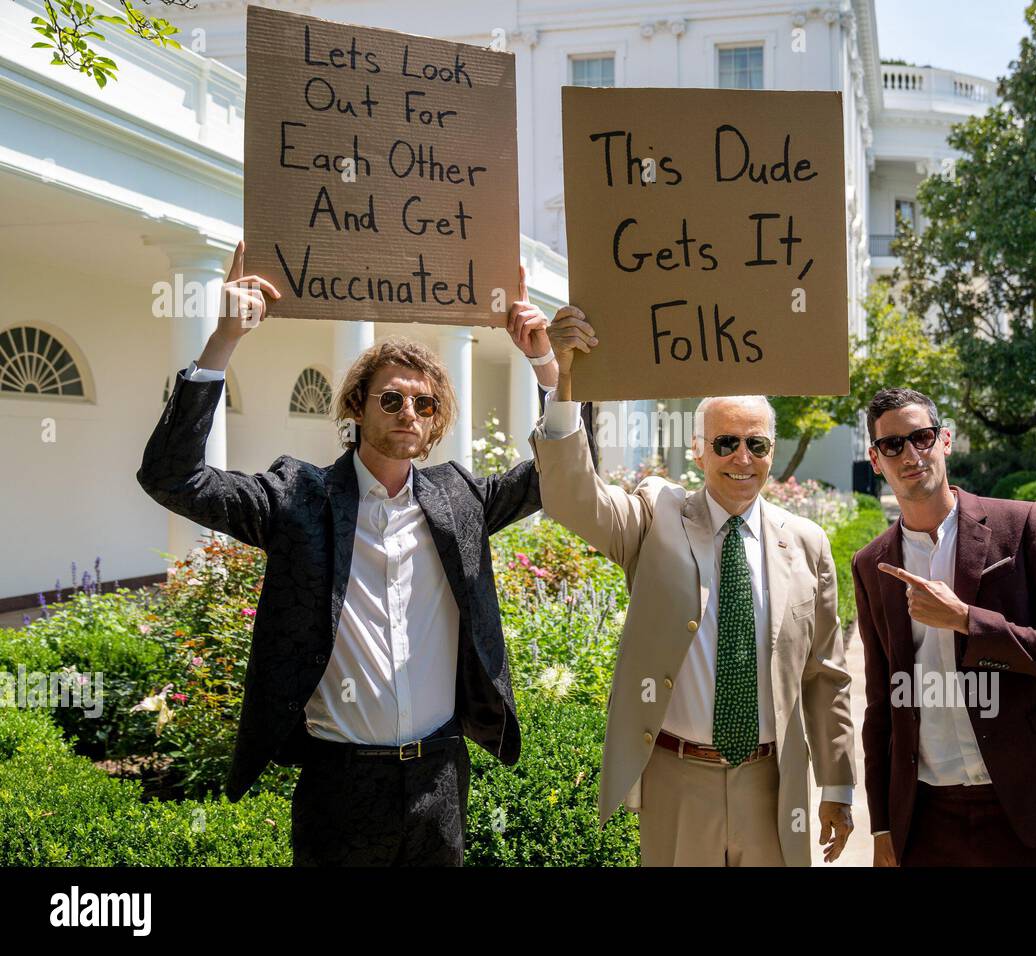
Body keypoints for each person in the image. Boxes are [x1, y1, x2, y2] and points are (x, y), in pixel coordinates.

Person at [137, 244, 557, 865]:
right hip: (339, 784)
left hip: (440, 779)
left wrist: (545, 367)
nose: (408, 412)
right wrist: (224, 340)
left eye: (424, 403)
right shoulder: (299, 498)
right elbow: (173, 478)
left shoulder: (461, 500)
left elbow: (562, 473)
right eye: (391, 398)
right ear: (357, 407)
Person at [523, 305, 856, 866]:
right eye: (725, 443)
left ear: (772, 451)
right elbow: (573, 496)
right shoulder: (657, 514)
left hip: (771, 785)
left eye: (757, 444)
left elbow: (826, 675)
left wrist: (838, 788)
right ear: (698, 450)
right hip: (678, 781)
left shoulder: (807, 542)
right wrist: (563, 382)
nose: (742, 458)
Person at [852, 387, 1036, 866]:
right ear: (875, 458)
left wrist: (969, 621)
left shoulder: (1022, 524)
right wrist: (883, 825)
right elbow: (881, 702)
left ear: (945, 440)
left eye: (921, 437)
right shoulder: (871, 564)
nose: (910, 454)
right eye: (892, 445)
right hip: (928, 818)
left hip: (1024, 807)